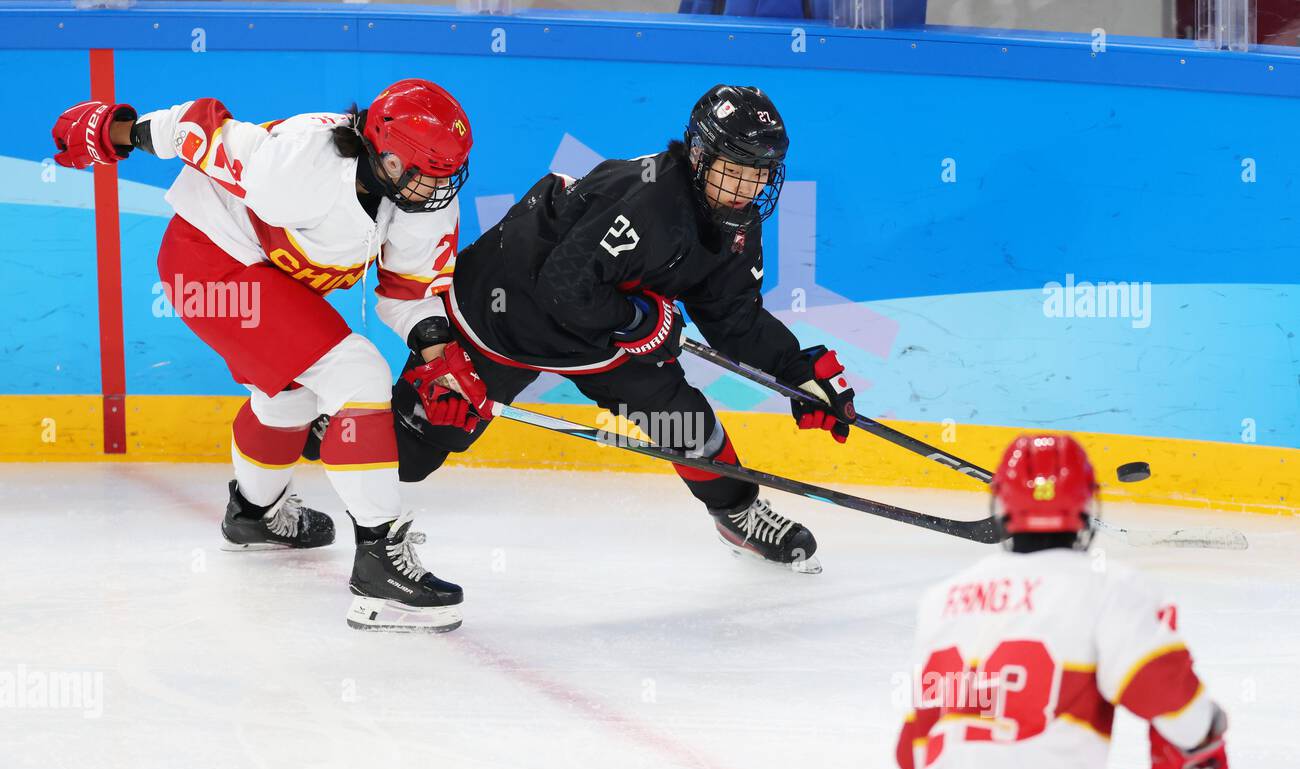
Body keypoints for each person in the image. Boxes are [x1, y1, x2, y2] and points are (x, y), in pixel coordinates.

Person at [51, 80, 471, 633]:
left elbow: (407, 293)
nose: (433, 190)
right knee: (358, 371)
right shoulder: (300, 161)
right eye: (420, 173)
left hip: (274, 278)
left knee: (290, 394)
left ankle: (254, 516)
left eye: (444, 176)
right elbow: (199, 128)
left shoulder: (420, 195)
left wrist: (439, 358)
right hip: (207, 263)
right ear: (381, 153)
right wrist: (119, 131)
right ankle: (378, 566)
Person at [390, 84, 857, 577]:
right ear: (698, 155)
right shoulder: (646, 196)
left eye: (758, 175)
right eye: (734, 172)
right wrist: (637, 320)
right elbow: (564, 287)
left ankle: (736, 513)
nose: (746, 189)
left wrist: (793, 369)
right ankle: (317, 432)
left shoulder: (735, 222)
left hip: (600, 331)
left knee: (683, 419)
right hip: (506, 313)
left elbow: (732, 316)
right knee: (416, 450)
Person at [896, 434, 1229, 769]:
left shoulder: (940, 601)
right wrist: (1202, 739)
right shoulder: (1108, 587)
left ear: (1001, 506)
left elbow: (909, 752)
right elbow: (1180, 714)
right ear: (1088, 507)